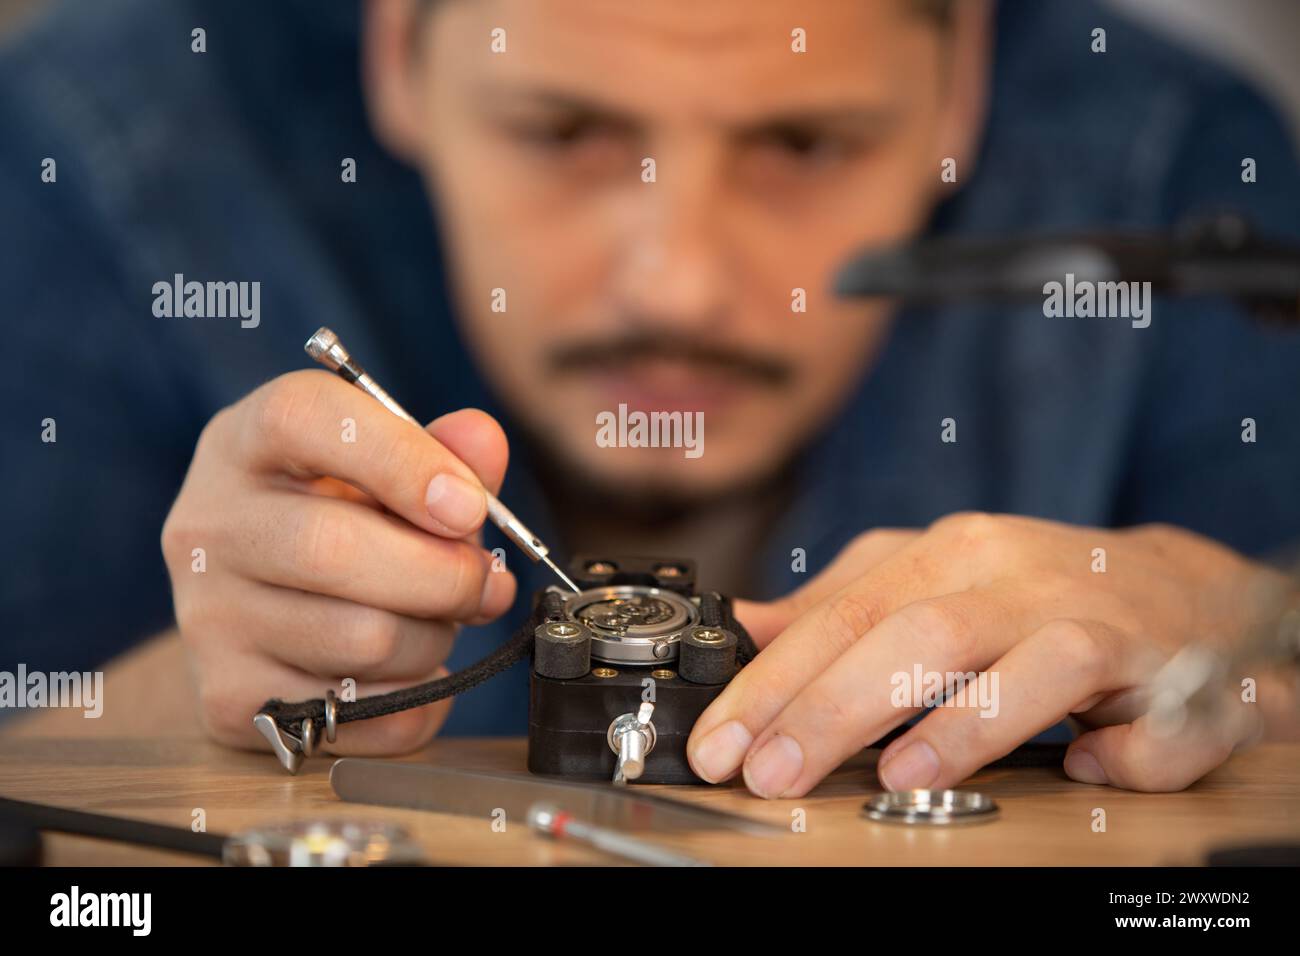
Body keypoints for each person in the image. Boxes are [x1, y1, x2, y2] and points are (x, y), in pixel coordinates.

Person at [2, 0, 1299, 799]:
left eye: (801, 145)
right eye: (564, 133)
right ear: (398, 47)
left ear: (962, 71)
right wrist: (203, 699)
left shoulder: (1174, 179)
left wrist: (1248, 625)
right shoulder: (106, 147)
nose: (676, 284)